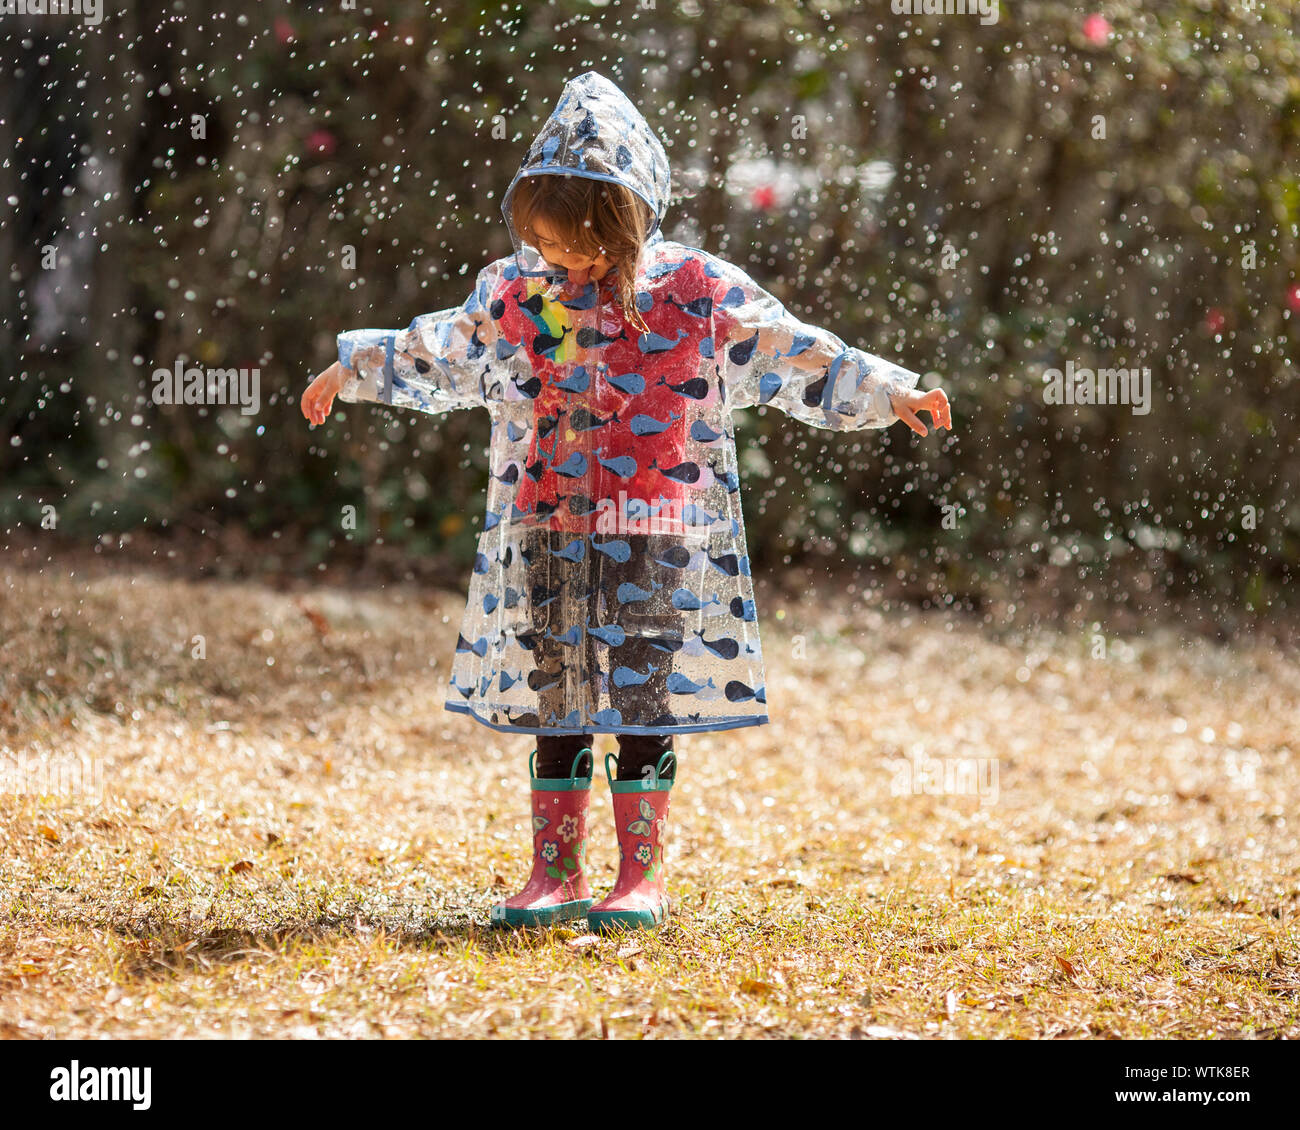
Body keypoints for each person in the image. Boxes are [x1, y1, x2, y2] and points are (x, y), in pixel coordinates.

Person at [300, 71, 952, 933]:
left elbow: (790, 346)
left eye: (584, 246)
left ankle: (637, 877)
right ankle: (554, 872)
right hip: (545, 522)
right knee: (554, 698)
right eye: (548, 241)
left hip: (654, 528)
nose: (567, 261)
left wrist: (889, 388)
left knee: (642, 699)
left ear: (631, 221)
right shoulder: (514, 292)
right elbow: (445, 349)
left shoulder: (695, 291)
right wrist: (355, 366)